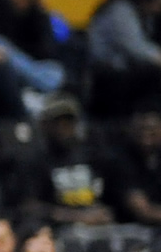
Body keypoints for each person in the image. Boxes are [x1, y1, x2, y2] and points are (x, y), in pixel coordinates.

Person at [27, 93, 116, 224]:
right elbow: (29, 206)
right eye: (57, 122)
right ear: (44, 125)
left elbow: (114, 194)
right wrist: (75, 216)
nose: (63, 128)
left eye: (68, 122)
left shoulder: (94, 155)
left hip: (98, 226)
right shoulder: (35, 161)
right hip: (59, 229)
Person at [89, 0, 161, 115]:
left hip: (125, 70)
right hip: (108, 73)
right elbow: (135, 48)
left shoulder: (147, 17)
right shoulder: (120, 11)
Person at [115, 103, 161, 225]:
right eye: (141, 129)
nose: (146, 137)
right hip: (129, 229)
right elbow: (143, 211)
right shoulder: (122, 160)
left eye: (151, 130)